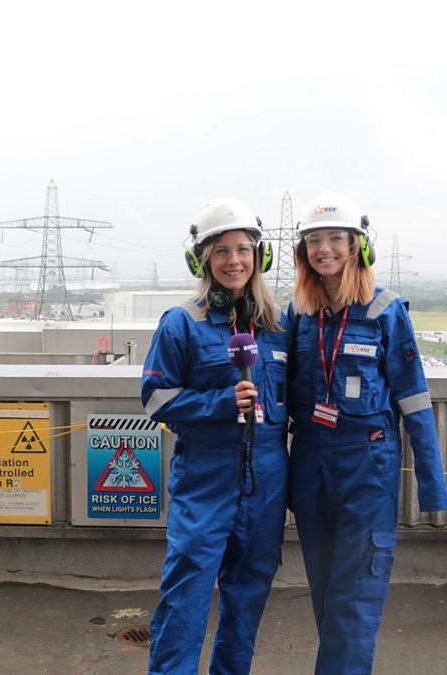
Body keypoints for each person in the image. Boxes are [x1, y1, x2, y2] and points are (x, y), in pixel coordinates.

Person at [286, 191, 447, 674]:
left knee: (356, 594)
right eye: (314, 240)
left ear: (358, 246)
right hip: (311, 462)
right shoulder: (298, 314)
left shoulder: (386, 311)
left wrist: (431, 483)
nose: (324, 249)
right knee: (325, 589)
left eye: (335, 238)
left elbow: (415, 400)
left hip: (367, 466)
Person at [141, 197, 290, 675]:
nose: (234, 260)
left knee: (246, 604)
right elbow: (156, 400)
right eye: (221, 251)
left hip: (265, 485)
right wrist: (220, 404)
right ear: (202, 261)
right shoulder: (182, 323)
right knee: (185, 600)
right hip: (205, 481)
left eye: (243, 249)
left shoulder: (278, 327)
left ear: (259, 257)